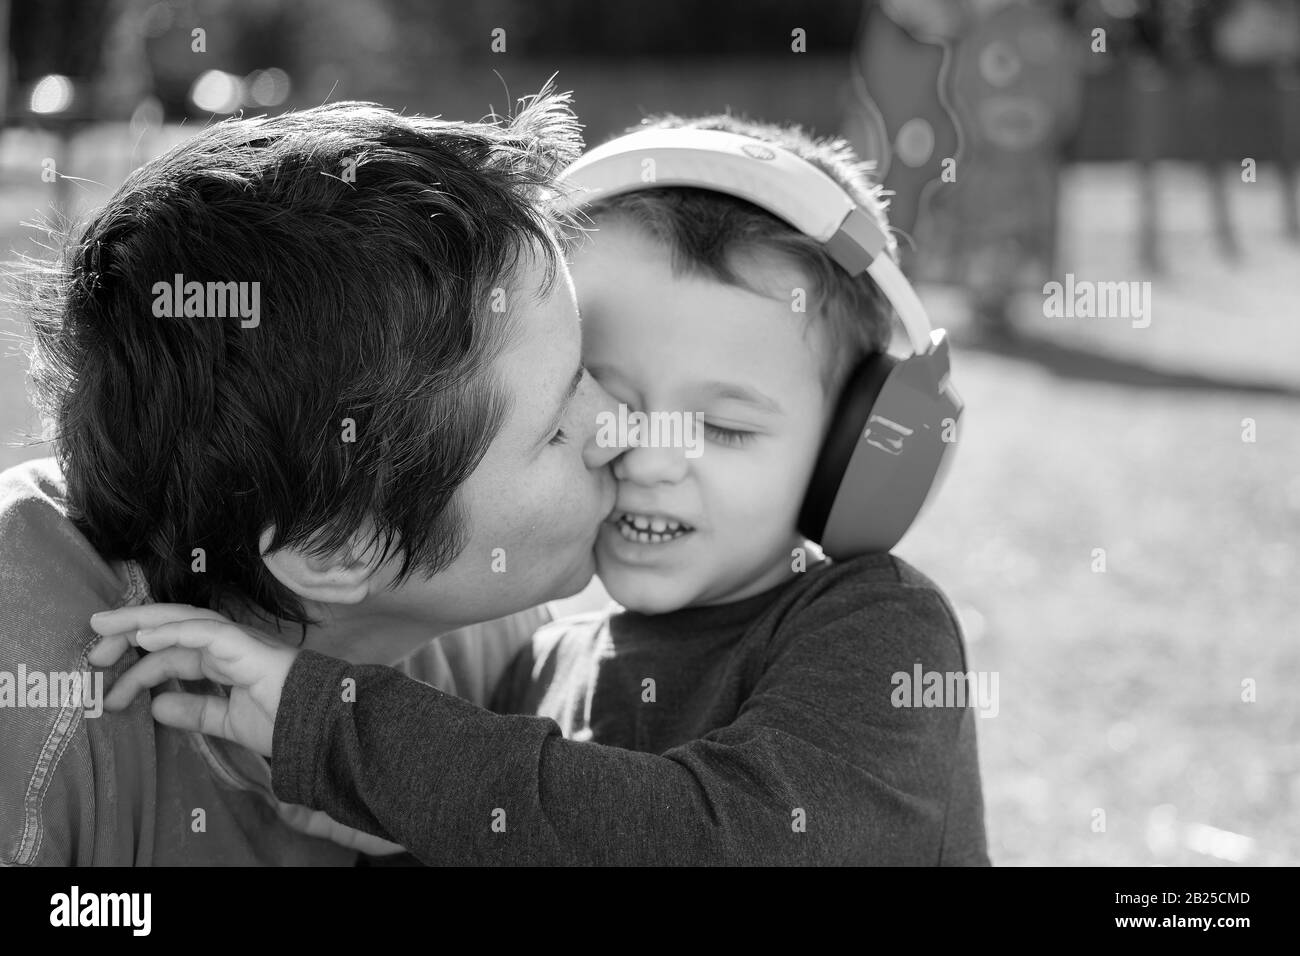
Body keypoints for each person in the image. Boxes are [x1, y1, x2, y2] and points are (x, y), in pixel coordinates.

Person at [92, 115, 990, 866]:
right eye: (591, 384)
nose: (642, 447)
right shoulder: (541, 671)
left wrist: (331, 733)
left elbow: (733, 841)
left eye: (724, 427)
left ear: (853, 450)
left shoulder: (877, 631)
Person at [0, 89, 623, 865]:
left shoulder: (488, 651)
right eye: (558, 426)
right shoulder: (30, 698)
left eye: (591, 362)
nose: (620, 424)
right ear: (336, 549)